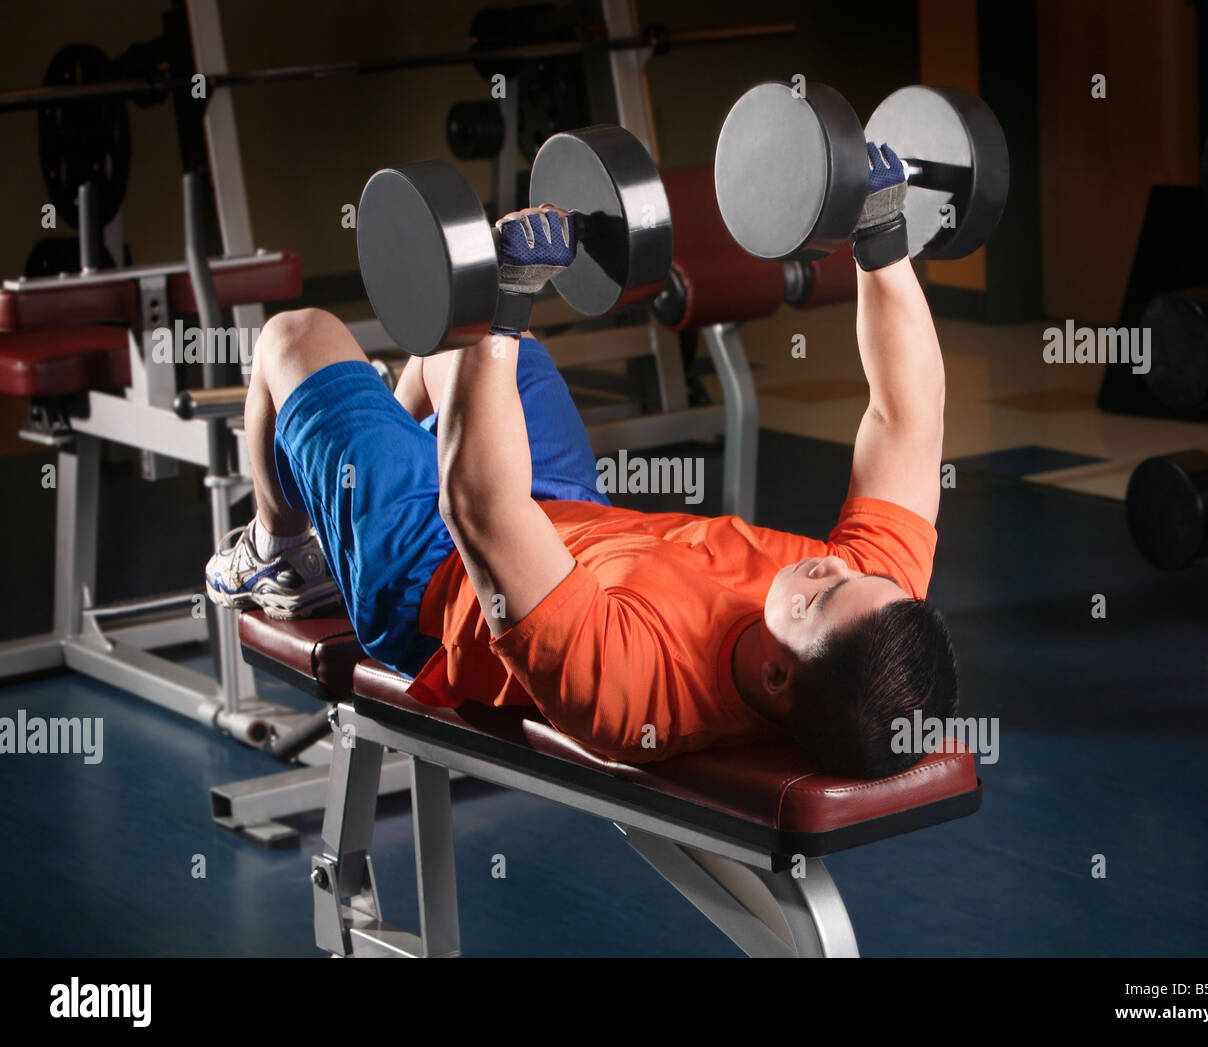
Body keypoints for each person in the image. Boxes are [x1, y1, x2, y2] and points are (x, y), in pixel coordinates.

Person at [207, 141, 957, 777]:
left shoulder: (638, 692)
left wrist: (506, 303)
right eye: (857, 574)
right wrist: (881, 232)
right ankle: (354, 479)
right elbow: (907, 415)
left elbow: (479, 509)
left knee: (296, 338)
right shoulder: (872, 611)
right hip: (566, 516)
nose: (835, 566)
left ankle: (284, 552)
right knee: (464, 342)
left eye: (821, 595)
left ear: (776, 675)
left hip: (433, 573)